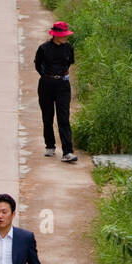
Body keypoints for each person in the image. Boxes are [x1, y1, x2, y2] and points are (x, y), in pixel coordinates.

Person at [34, 22, 77, 162]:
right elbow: (38, 65)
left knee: (63, 118)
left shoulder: (68, 48)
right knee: (47, 117)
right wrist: (47, 76)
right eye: (63, 36)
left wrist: (61, 75)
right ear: (56, 36)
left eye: (66, 35)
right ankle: (50, 146)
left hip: (63, 86)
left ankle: (67, 152)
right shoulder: (44, 48)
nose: (65, 38)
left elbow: (70, 62)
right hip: (46, 84)